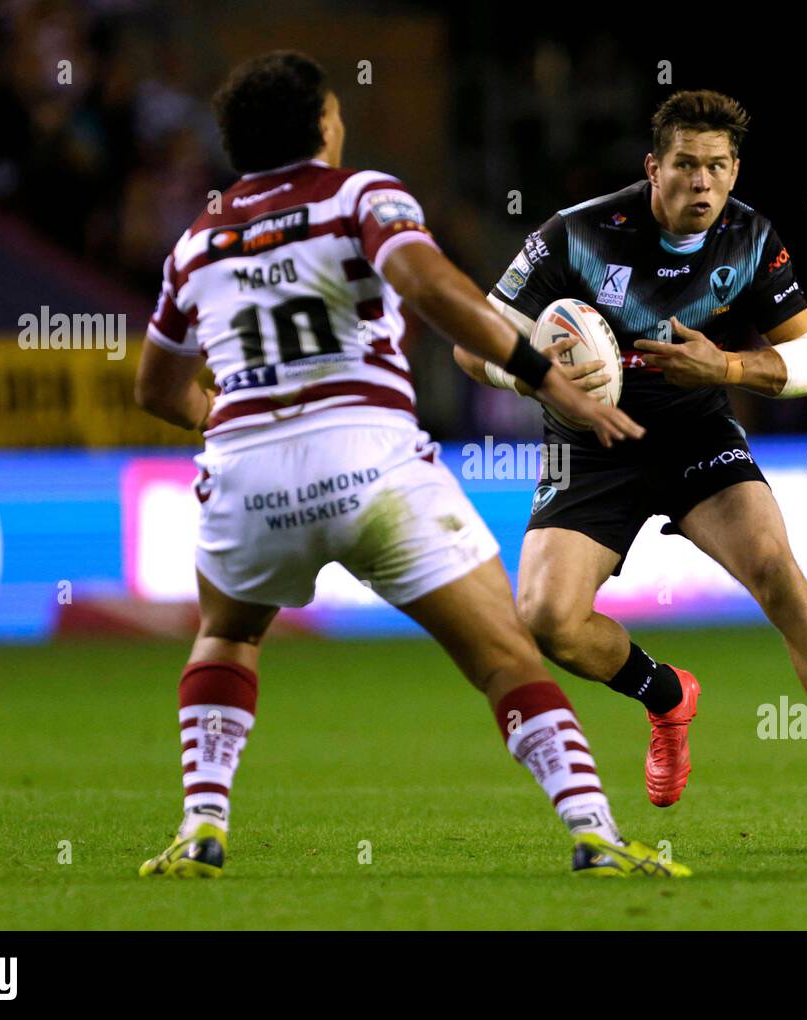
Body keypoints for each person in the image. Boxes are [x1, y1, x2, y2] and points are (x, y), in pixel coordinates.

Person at [134, 51, 688, 878]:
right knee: (505, 657)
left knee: (226, 635)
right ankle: (593, 832)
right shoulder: (361, 194)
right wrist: (542, 375)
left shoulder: (196, 244)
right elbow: (427, 284)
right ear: (324, 124)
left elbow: (156, 388)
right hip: (370, 461)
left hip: (245, 477)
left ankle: (202, 824)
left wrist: (228, 417)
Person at [454, 90, 807, 835]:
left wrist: (729, 372)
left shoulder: (750, 239)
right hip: (592, 442)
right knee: (547, 618)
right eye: (685, 165)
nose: (700, 182)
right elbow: (470, 344)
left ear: (735, 171)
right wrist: (541, 378)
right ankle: (665, 695)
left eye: (716, 166)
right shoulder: (575, 236)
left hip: (694, 432)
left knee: (777, 572)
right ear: (654, 167)